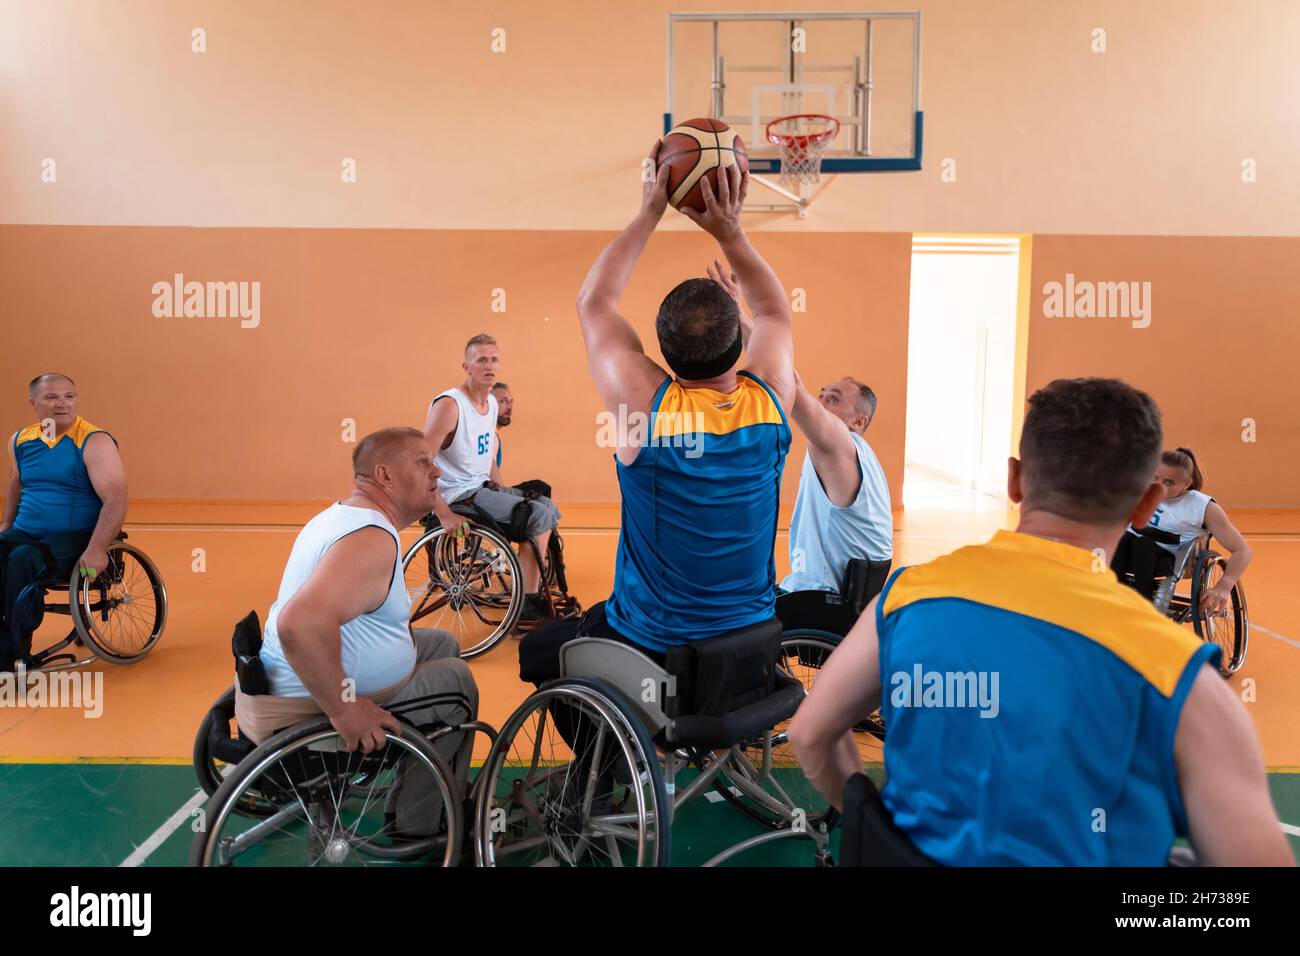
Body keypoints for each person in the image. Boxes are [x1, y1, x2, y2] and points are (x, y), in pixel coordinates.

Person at [789, 378, 1292, 866]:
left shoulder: (908, 596)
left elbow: (810, 734)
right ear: (1147, 504)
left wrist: (876, 828)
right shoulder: (1177, 673)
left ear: (1014, 480)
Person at [520, 146, 793, 678]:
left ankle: (602, 764)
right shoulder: (772, 398)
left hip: (654, 642)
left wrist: (651, 208)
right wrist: (729, 230)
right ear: (740, 339)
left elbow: (594, 301)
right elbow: (774, 310)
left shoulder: (645, 404)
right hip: (751, 636)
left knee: (539, 651)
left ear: (659, 351)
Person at [236, 427, 479, 837]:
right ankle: (419, 824)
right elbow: (299, 623)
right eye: (422, 461)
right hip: (307, 705)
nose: (436, 470)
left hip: (281, 681)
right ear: (384, 476)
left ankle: (426, 784)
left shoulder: (343, 516)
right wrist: (345, 709)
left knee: (442, 644)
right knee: (458, 683)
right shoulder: (369, 540)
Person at [710, 261, 892, 635]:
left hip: (825, 604)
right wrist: (743, 319)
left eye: (835, 399)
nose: (822, 400)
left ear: (859, 422)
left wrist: (746, 316)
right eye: (822, 394)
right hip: (847, 604)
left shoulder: (840, 444)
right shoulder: (852, 452)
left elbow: (787, 386)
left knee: (727, 617)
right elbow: (790, 381)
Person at [422, 335, 562, 621]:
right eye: (481, 360)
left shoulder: (491, 404)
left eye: (494, 359)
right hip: (455, 496)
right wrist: (444, 513)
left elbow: (488, 460)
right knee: (537, 517)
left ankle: (528, 584)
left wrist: (504, 492)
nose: (489, 365)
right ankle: (526, 602)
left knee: (547, 506)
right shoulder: (450, 405)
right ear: (466, 366)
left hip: (479, 488)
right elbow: (421, 462)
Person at [1, 373, 127, 670]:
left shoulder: (94, 441)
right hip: (27, 532)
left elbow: (116, 499)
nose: (62, 404)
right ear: (33, 403)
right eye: (51, 397)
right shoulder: (21, 440)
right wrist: (6, 526)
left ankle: (13, 654)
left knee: (23, 559)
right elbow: (16, 483)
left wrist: (97, 550)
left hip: (76, 537)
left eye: (69, 396)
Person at [1112, 447, 1252, 609]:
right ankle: (1115, 593)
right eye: (1155, 478)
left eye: (1169, 483)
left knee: (1143, 544)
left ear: (1186, 484)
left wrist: (1224, 585)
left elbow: (1243, 551)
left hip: (1168, 555)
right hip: (1128, 548)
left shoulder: (1202, 507)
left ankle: (1144, 603)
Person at [491, 381, 512, 471]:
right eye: (503, 401)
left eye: (510, 402)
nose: (509, 407)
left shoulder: (494, 435)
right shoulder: (489, 437)